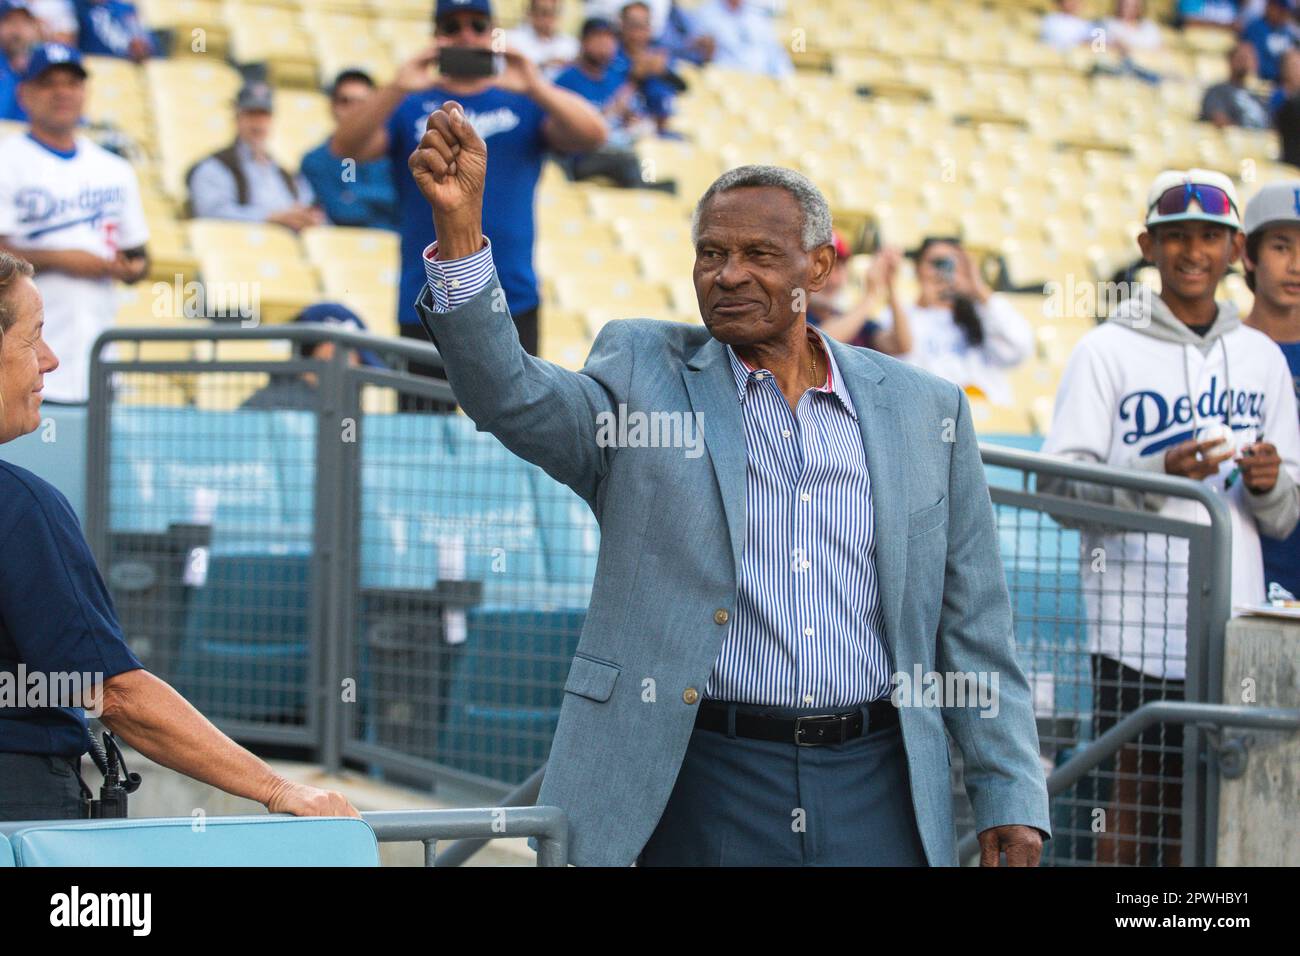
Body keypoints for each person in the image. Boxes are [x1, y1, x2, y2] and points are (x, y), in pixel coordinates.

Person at [406, 103, 1052, 867]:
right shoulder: (643, 372)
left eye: (758, 254)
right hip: (700, 774)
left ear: (820, 266)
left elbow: (974, 620)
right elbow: (505, 394)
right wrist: (459, 234)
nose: (729, 274)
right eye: (711, 254)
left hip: (877, 778)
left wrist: (1009, 790)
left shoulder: (925, 409)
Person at [0, 251, 361, 822]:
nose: (50, 359)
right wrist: (277, 790)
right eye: (33, 337)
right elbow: (115, 694)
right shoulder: (21, 507)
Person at [1040, 169, 1300, 865]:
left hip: (1236, 622)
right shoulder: (1106, 349)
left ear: (1234, 248)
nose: (1193, 251)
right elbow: (1055, 488)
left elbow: (1283, 516)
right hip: (1135, 625)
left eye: (1209, 236)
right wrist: (1160, 476)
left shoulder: (1263, 358)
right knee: (1133, 801)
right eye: (1175, 235)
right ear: (1147, 246)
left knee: (1226, 799)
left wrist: (1273, 486)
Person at [330, 0, 605, 363]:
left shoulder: (522, 100)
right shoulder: (409, 102)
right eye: (452, 26)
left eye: (477, 25)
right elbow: (345, 147)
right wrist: (396, 86)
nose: (466, 35)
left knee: (517, 418)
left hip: (510, 294)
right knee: (421, 417)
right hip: (427, 297)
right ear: (436, 36)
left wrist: (535, 85)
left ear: (493, 34)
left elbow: (593, 135)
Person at [0, 44, 148, 406]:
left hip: (98, 361)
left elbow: (140, 257)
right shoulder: (7, 158)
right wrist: (66, 259)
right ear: (25, 94)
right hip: (24, 366)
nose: (62, 92)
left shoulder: (115, 169)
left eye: (72, 82)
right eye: (49, 83)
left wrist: (129, 267)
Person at [874, 237, 1033, 406]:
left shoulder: (983, 314)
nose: (944, 271)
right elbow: (899, 354)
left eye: (953, 263)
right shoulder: (898, 315)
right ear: (918, 269)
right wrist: (919, 303)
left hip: (987, 420)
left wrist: (979, 289)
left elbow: (1019, 349)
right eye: (937, 263)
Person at [1241, 181, 1300, 598]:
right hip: (1242, 565)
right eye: (1281, 247)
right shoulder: (1216, 350)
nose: (1296, 265)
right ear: (1247, 253)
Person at [188, 81, 322, 232]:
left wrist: (309, 218)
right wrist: (270, 217)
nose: (258, 123)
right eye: (251, 114)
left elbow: (309, 206)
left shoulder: (286, 175)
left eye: (263, 115)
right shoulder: (215, 166)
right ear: (237, 118)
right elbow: (211, 214)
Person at [300, 70, 398, 230]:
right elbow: (345, 212)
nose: (355, 109)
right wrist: (384, 199)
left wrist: (357, 193)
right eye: (345, 101)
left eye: (363, 103)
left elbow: (405, 204)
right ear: (332, 106)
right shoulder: (315, 160)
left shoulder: (393, 155)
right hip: (343, 249)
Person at [241, 302, 385, 411]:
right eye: (356, 357)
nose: (358, 366)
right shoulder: (331, 413)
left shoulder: (262, 401)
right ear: (329, 351)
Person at [808, 234, 912, 355]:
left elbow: (900, 346)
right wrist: (870, 296)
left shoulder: (854, 319)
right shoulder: (792, 320)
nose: (833, 280)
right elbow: (820, 343)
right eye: (822, 267)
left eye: (839, 268)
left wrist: (891, 285)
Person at [614, 0, 683, 135]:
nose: (638, 32)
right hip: (621, 134)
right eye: (633, 25)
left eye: (644, 25)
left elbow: (680, 91)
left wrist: (663, 73)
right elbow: (611, 105)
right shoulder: (609, 58)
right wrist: (634, 78)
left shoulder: (658, 59)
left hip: (656, 133)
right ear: (621, 25)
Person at [689, 0, 792, 77]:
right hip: (725, 83)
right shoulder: (704, 14)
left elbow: (776, 55)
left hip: (761, 85)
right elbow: (696, 59)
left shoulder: (758, 16)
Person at [1201, 40, 1271, 129]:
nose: (1245, 62)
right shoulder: (1217, 91)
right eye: (1241, 57)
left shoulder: (1257, 96)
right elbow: (1219, 121)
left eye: (1249, 58)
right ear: (1230, 60)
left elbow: (1269, 126)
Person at [506, 0, 578, 76]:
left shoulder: (571, 44)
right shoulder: (511, 40)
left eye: (554, 11)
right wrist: (543, 65)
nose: (549, 18)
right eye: (543, 12)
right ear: (530, 13)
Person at [72, 0, 153, 62]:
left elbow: (147, 44)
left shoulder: (126, 8)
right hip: (98, 66)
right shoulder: (75, 7)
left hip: (132, 66)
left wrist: (141, 48)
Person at [1242, 0, 1299, 83]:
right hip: (1261, 80)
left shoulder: (1287, 31)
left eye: (1286, 12)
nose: (1284, 15)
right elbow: (1256, 62)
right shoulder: (1255, 28)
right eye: (1281, 11)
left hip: (1283, 82)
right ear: (1270, 7)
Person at [0, 0, 39, 121]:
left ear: (35, 28)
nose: (17, 30)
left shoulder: (46, 67)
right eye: (9, 21)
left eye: (24, 22)